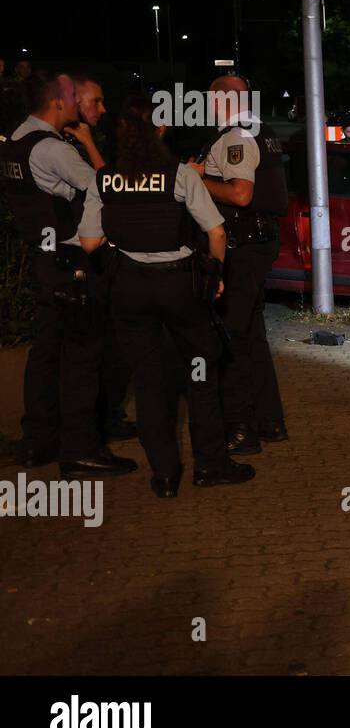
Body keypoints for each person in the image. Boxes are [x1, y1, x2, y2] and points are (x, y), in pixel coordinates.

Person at [81, 95, 255, 496]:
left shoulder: (104, 179)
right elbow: (216, 231)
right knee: (200, 370)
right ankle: (210, 464)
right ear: (159, 131)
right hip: (179, 287)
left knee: (147, 379)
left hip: (129, 288)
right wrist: (215, 275)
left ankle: (163, 475)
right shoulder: (179, 175)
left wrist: (122, 250)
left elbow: (90, 242)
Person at [0, 71, 135, 477]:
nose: (78, 103)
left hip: (44, 261)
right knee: (81, 357)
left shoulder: (17, 140)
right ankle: (80, 450)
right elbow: (106, 187)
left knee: (46, 353)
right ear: (58, 102)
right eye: (73, 97)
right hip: (71, 265)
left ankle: (39, 441)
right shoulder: (53, 150)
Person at [189, 75, 288, 455]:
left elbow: (240, 194)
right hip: (256, 243)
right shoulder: (260, 129)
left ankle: (242, 429)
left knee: (229, 337)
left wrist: (198, 179)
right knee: (252, 334)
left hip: (242, 246)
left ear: (219, 100)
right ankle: (269, 420)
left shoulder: (236, 136)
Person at [70, 75, 138, 443]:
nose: (103, 108)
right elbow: (108, 184)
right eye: (96, 101)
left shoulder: (86, 140)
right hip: (90, 257)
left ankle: (107, 416)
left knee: (112, 344)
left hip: (99, 256)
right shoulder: (70, 144)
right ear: (77, 102)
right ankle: (101, 420)